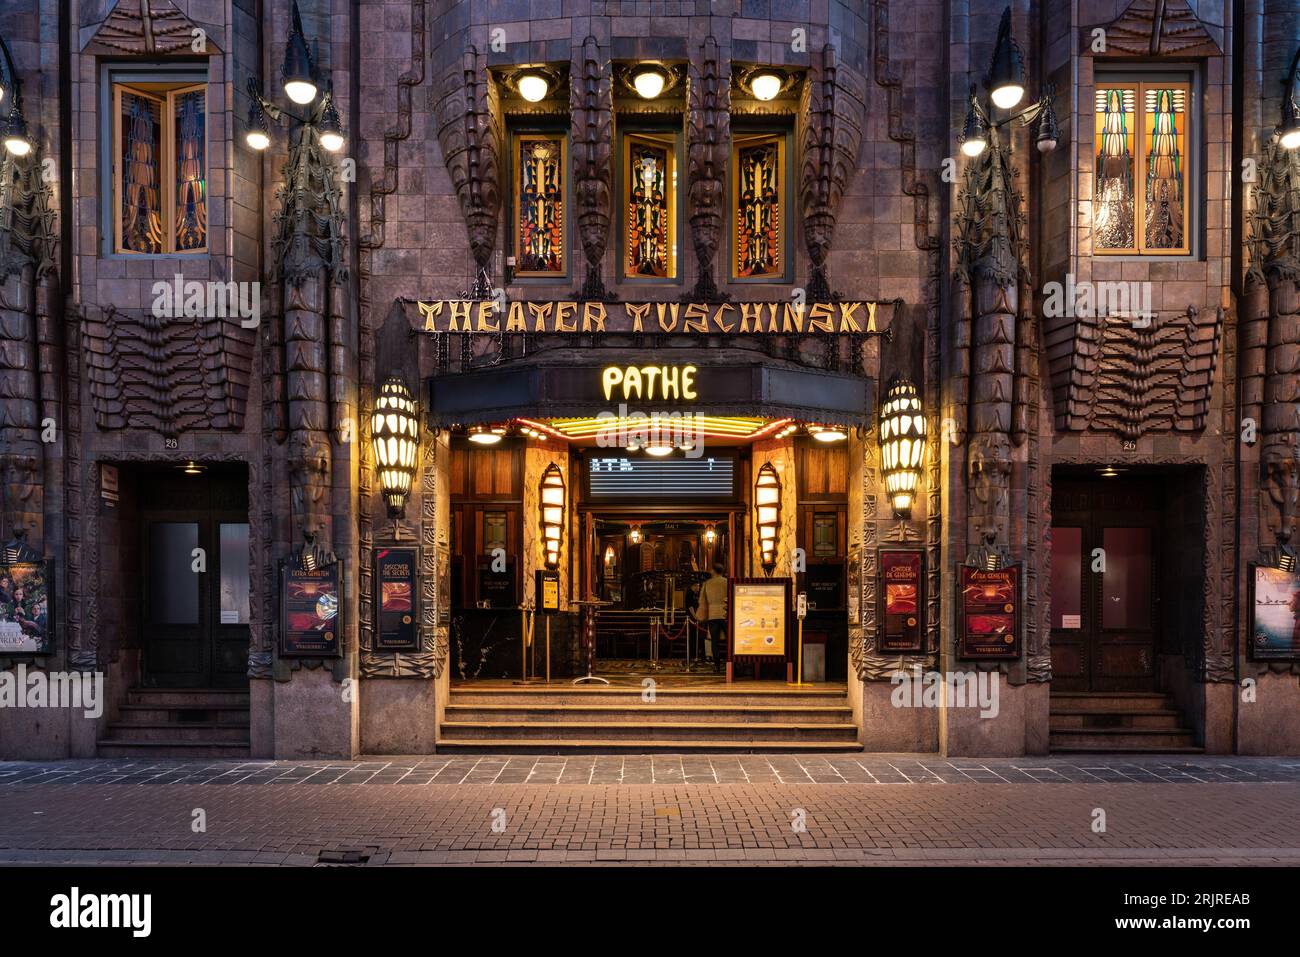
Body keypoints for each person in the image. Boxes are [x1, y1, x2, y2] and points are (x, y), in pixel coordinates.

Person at [694, 562, 728, 674]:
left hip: (713, 615)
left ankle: (717, 666)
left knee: (714, 642)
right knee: (730, 640)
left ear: (713, 571)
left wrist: (700, 615)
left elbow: (702, 601)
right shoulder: (726, 582)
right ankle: (731, 664)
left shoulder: (707, 583)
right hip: (725, 614)